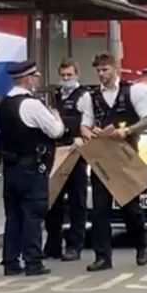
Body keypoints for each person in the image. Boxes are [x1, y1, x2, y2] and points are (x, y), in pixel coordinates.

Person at [85, 52, 147, 272]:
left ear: (115, 68)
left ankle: (141, 244)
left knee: (131, 208)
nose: (101, 74)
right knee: (99, 210)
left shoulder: (133, 91)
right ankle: (103, 256)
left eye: (105, 69)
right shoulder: (91, 97)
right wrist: (90, 132)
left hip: (126, 157)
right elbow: (84, 125)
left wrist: (127, 130)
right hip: (102, 159)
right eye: (98, 70)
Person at [0, 60, 65, 276]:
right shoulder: (32, 105)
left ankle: (10, 261)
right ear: (27, 79)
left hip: (10, 168)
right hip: (32, 168)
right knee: (33, 215)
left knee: (13, 215)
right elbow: (55, 132)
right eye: (35, 77)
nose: (37, 80)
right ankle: (33, 261)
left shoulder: (5, 103)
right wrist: (57, 118)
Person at [44, 58, 93, 262]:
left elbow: (89, 121)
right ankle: (53, 245)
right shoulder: (56, 95)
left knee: (76, 203)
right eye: (63, 76)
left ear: (77, 75)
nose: (66, 79)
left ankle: (74, 245)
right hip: (58, 151)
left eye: (69, 76)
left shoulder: (84, 96)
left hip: (76, 153)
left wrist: (82, 139)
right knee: (53, 200)